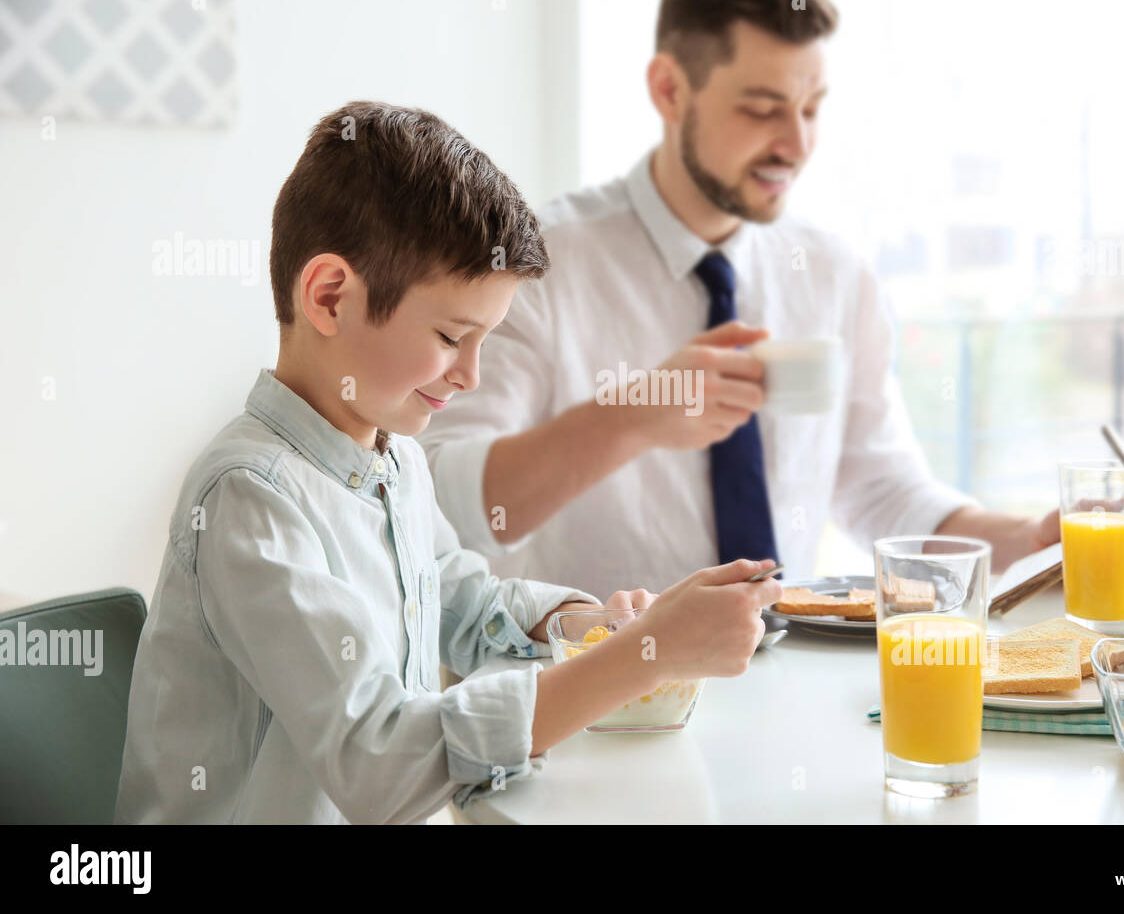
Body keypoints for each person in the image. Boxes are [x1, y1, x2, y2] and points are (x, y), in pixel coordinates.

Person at [114, 101, 781, 824]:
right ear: (330, 296)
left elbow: (468, 606)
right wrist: (644, 655)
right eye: (451, 335)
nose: (472, 374)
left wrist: (592, 627)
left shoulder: (395, 460)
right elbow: (379, 765)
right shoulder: (251, 497)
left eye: (485, 340)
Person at [419, 0, 1058, 600]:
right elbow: (443, 496)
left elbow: (880, 485)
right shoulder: (537, 265)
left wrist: (1025, 539)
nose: (797, 143)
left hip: (787, 677)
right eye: (762, 109)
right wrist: (629, 418)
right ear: (669, 91)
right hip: (609, 689)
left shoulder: (833, 274)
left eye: (811, 108)